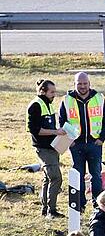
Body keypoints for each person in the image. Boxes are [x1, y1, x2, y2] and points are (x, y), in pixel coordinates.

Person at [58, 72, 105, 212]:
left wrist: (102, 138)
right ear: (74, 84)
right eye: (79, 84)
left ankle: (98, 205)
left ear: (89, 84)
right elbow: (62, 121)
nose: (82, 86)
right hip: (76, 144)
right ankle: (79, 205)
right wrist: (69, 141)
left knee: (96, 175)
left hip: (95, 143)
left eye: (85, 83)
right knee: (78, 176)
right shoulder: (67, 100)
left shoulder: (99, 98)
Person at [27, 79, 66, 218]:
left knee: (48, 178)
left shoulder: (48, 104)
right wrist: (56, 132)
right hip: (43, 148)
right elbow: (35, 130)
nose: (54, 94)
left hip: (52, 147)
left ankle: (45, 209)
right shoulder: (35, 105)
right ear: (43, 91)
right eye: (52, 92)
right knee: (56, 178)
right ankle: (51, 210)